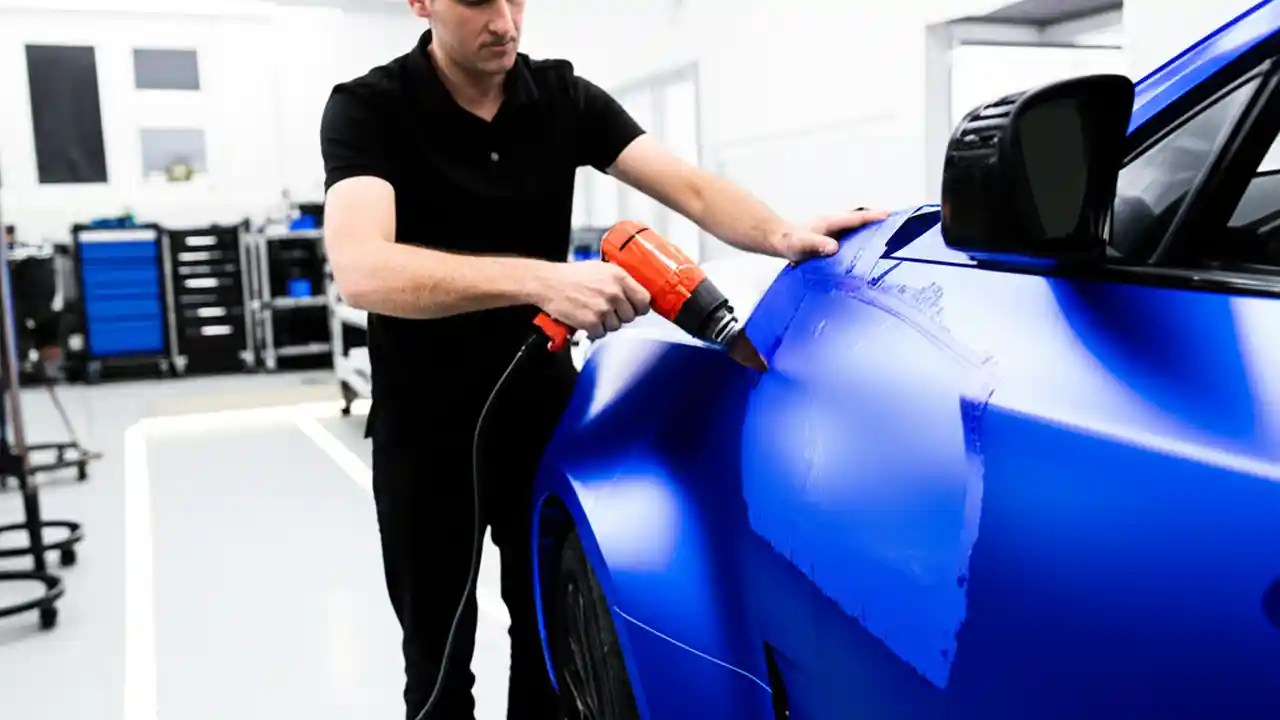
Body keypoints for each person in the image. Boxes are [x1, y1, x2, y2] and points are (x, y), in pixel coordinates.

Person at [319, 1, 888, 718]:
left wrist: (782, 232)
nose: (504, 21)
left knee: (549, 645)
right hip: (425, 437)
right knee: (437, 669)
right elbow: (364, 269)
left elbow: (689, 186)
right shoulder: (369, 108)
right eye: (475, 1)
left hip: (542, 419)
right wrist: (544, 278)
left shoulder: (561, 97)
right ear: (422, 3)